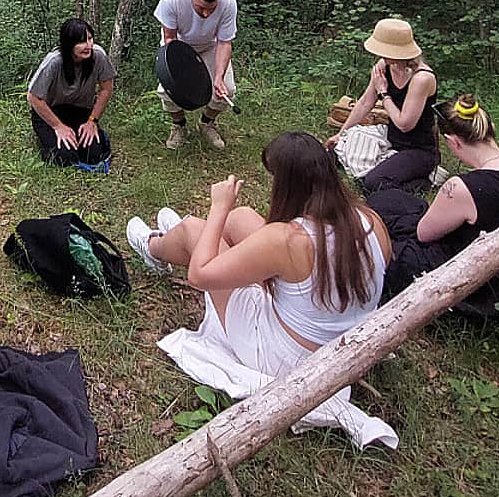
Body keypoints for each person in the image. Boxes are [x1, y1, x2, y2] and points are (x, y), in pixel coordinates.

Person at [126, 131, 391, 376]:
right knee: (241, 218)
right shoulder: (370, 219)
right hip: (338, 340)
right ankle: (183, 241)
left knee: (193, 229)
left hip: (288, 357)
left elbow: (198, 276)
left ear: (288, 186)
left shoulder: (287, 239)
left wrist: (219, 207)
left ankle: (154, 248)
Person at [367, 95, 499, 318]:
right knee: (390, 201)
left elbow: (423, 234)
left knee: (386, 244)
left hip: (475, 294)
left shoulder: (462, 188)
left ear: (454, 141)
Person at [326, 18, 439, 194]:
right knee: (332, 154)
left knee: (373, 183)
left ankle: (423, 183)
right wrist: (341, 134)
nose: (380, 55)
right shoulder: (384, 65)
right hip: (391, 138)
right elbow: (365, 102)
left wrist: (384, 93)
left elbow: (404, 124)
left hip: (418, 149)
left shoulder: (422, 78)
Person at [154, 0, 237, 150]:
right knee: (168, 90)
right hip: (178, 45)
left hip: (210, 45)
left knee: (226, 90)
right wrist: (184, 72)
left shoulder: (228, 1)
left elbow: (224, 42)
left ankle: (206, 122)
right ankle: (179, 126)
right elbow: (170, 38)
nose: (206, 14)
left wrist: (218, 77)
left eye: (211, 9)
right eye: (201, 8)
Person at [26, 18, 116, 168]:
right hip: (51, 112)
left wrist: (92, 121)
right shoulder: (54, 61)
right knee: (64, 157)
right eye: (81, 41)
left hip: (80, 110)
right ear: (69, 44)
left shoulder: (98, 55)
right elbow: (33, 97)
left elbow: (106, 88)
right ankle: (47, 137)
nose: (88, 45)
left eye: (90, 39)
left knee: (93, 154)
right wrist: (58, 126)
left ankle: (87, 135)